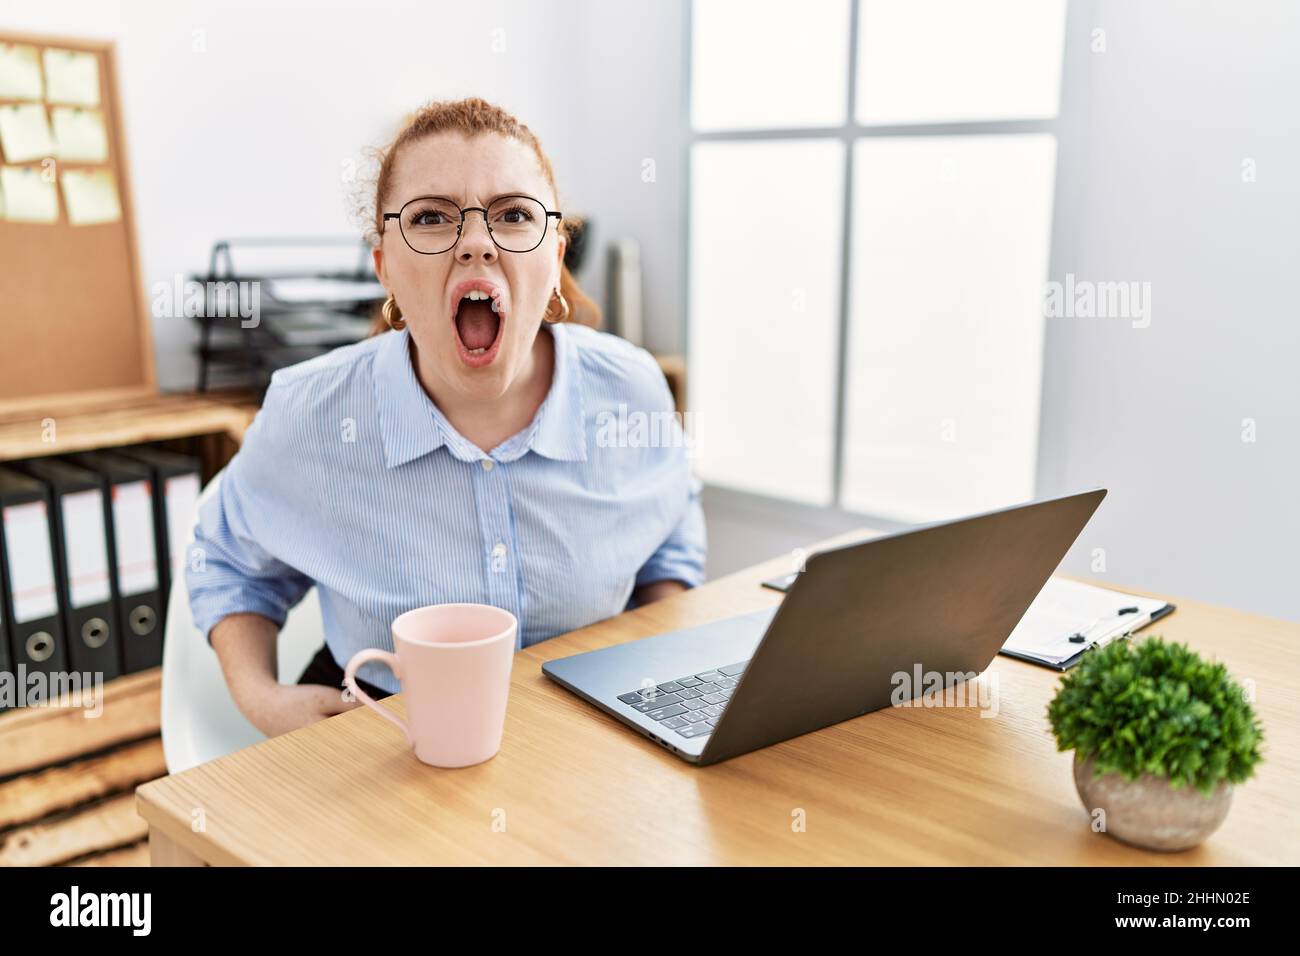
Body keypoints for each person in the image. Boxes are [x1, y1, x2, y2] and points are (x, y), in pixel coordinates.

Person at [188, 97, 705, 738]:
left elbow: (670, 534)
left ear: (555, 258)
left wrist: (654, 670)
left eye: (514, 215)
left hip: (587, 724)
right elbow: (229, 563)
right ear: (385, 268)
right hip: (381, 729)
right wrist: (261, 698)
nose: (476, 244)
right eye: (432, 218)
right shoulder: (310, 413)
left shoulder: (631, 392)